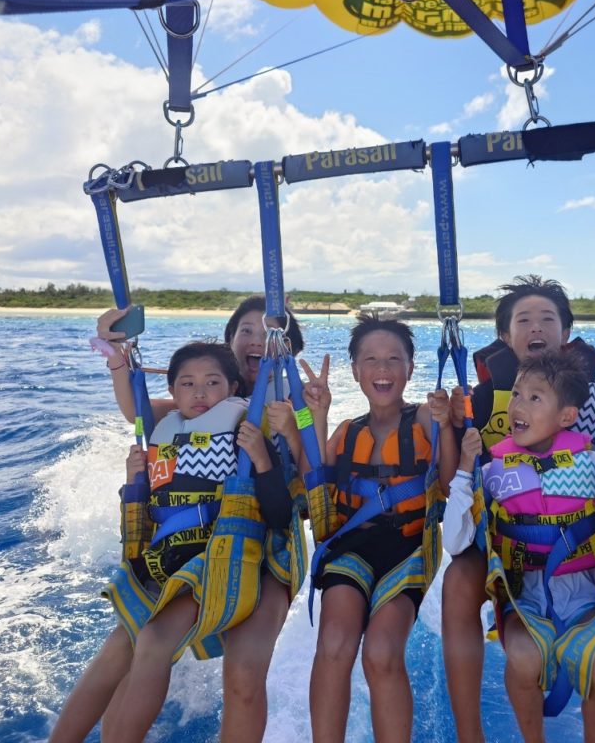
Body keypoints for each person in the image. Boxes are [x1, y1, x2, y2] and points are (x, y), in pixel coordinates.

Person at [442, 274, 595, 743]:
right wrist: (449, 428)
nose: (535, 327)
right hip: (507, 530)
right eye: (523, 319)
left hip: (592, 527)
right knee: (456, 580)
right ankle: (470, 736)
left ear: (564, 334)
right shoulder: (480, 400)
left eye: (547, 319)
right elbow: (457, 485)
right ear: (505, 337)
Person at [51, 342, 297, 743]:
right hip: (163, 560)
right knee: (126, 642)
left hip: (217, 558)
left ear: (232, 386)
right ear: (174, 392)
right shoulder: (166, 429)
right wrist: (134, 480)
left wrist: (263, 458)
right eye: (188, 384)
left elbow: (278, 513)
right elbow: (152, 504)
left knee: (153, 639)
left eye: (212, 382)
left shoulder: (246, 429)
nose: (199, 392)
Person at [299, 316, 457, 743]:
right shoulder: (347, 431)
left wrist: (445, 426)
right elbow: (314, 486)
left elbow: (448, 483)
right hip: (350, 547)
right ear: (355, 371)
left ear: (409, 368)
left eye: (393, 359)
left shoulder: (425, 418)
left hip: (408, 549)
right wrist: (318, 415)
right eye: (370, 359)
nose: (382, 368)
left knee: (382, 653)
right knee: (334, 644)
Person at [96, 295, 305, 425]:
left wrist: (297, 422)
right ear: (230, 341)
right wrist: (115, 355)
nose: (257, 342)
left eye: (269, 334)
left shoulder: (298, 399)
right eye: (247, 331)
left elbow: (310, 432)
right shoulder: (211, 394)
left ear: (287, 349)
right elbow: (136, 411)